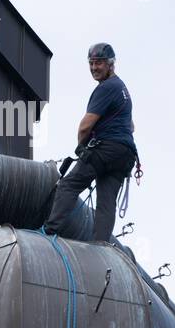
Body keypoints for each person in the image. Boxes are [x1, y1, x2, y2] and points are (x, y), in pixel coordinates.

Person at [43, 42, 139, 244]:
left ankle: (49, 232)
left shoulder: (106, 88)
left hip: (106, 149)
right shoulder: (122, 90)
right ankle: (100, 246)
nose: (94, 68)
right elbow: (131, 126)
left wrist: (81, 146)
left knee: (69, 185)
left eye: (99, 63)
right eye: (91, 63)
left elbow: (85, 126)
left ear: (111, 65)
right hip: (125, 155)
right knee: (106, 202)